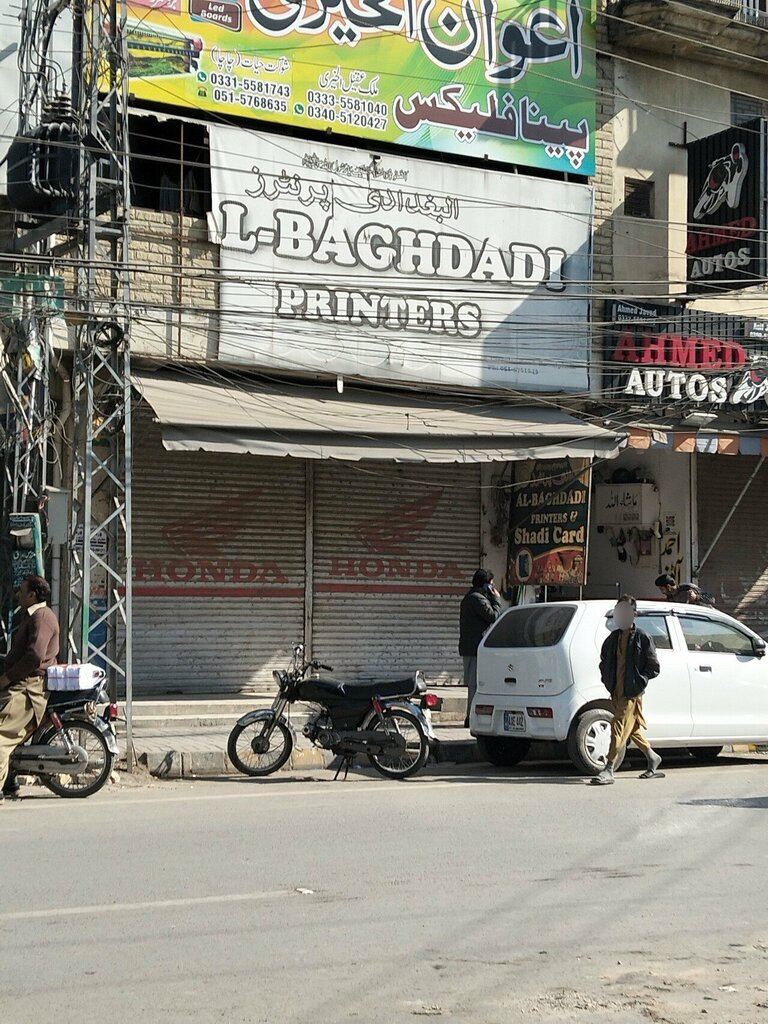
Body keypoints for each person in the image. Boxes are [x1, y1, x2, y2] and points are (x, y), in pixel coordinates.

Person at [592, 594, 663, 786]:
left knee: (618, 724)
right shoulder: (612, 639)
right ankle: (652, 757)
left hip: (632, 692)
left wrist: (639, 681)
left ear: (634, 614)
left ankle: (608, 768)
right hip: (616, 690)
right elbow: (603, 661)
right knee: (632, 729)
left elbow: (653, 667)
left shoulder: (643, 637)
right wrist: (607, 679)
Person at [0, 575, 60, 803]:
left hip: (29, 688)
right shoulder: (33, 616)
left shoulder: (42, 617)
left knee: (2, 734)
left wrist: (7, 678)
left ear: (32, 595)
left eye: (22, 591)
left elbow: (34, 657)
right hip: (23, 684)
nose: (18, 595)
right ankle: (10, 782)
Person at [459, 569, 502, 726]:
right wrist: (496, 599)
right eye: (491, 584)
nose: (493, 587)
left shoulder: (473, 597)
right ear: (485, 585)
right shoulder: (477, 599)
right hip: (474, 648)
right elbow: (493, 616)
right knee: (474, 685)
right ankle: (470, 718)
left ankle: (472, 717)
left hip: (474, 647)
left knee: (476, 684)